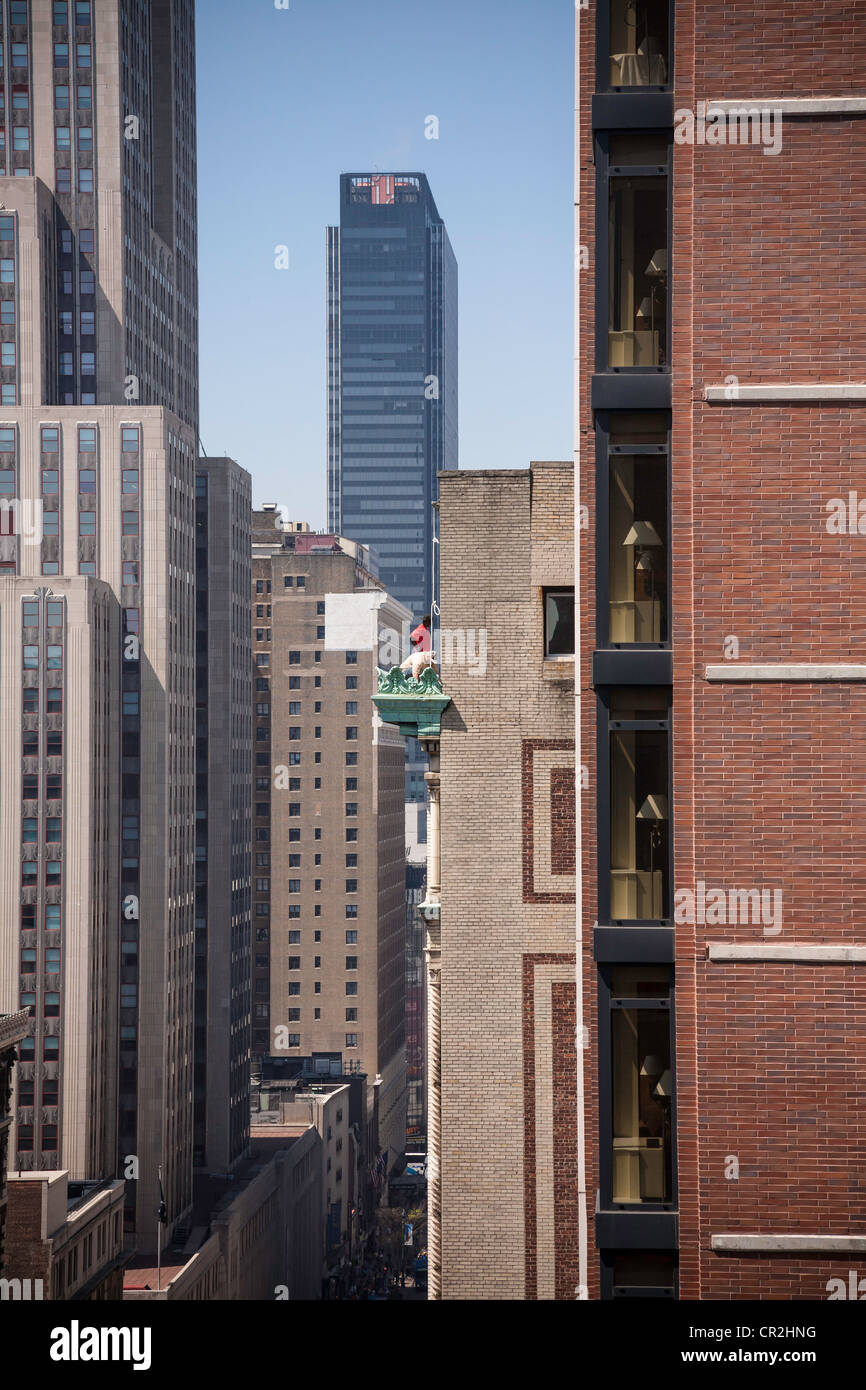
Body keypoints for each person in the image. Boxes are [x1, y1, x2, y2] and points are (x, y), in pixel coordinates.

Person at [400, 613, 436, 679]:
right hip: (420, 655)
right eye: (429, 622)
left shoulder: (425, 629)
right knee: (417, 669)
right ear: (426, 622)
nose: (430, 624)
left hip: (424, 655)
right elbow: (412, 637)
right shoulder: (421, 629)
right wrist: (418, 647)